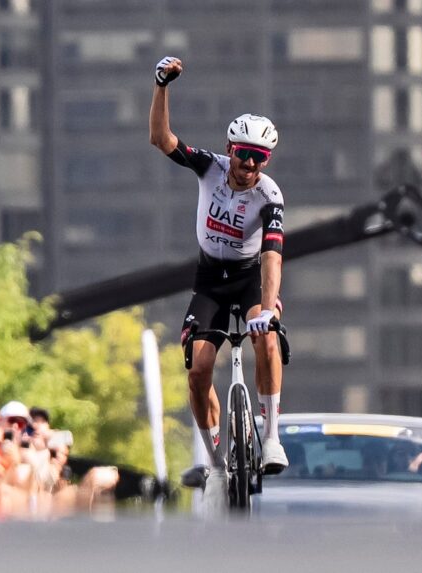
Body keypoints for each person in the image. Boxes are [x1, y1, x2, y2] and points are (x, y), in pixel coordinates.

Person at [149, 56, 289, 506]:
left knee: (267, 339)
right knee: (198, 370)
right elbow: (161, 140)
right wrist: (161, 85)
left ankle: (271, 436)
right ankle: (214, 464)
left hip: (249, 280)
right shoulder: (209, 166)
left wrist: (269, 308)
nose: (249, 164)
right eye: (243, 153)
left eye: (259, 157)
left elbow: (272, 255)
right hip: (210, 278)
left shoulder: (269, 195)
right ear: (230, 149)